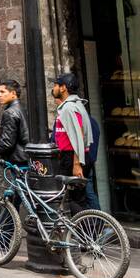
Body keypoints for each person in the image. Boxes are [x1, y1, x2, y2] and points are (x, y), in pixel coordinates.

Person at [51, 72, 93, 214]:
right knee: (77, 198)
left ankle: (91, 229)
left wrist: (76, 164)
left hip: (72, 158)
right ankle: (89, 231)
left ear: (63, 88)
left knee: (72, 199)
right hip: (74, 156)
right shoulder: (77, 104)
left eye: (56, 85)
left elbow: (78, 136)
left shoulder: (69, 108)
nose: (54, 88)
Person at [0, 79, 31, 171]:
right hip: (25, 158)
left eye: (2, 92)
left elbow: (7, 143)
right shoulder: (21, 108)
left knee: (20, 184)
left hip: (19, 161)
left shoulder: (10, 112)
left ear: (13, 93)